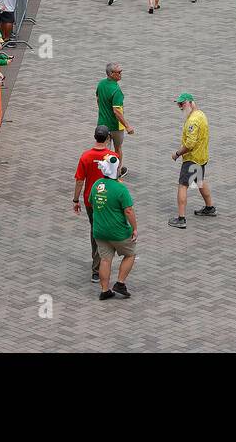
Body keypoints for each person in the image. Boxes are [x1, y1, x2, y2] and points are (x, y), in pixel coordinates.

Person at [90, 155, 137, 301]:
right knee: (130, 254)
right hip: (118, 232)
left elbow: (92, 202)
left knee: (105, 259)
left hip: (99, 231)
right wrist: (134, 228)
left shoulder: (96, 184)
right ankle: (120, 283)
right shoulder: (120, 188)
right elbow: (128, 210)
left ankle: (104, 290)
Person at [73, 126, 116, 282]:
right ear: (107, 139)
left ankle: (97, 268)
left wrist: (75, 200)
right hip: (109, 200)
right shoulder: (112, 156)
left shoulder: (85, 156)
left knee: (95, 230)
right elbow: (115, 178)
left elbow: (79, 180)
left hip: (91, 200)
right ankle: (106, 261)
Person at [169, 93, 215, 228]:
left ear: (190, 102)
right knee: (199, 181)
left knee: (183, 185)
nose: (180, 107)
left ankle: (181, 218)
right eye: (178, 104)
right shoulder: (201, 114)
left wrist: (177, 154)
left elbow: (190, 144)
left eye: (182, 104)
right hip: (201, 157)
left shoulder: (192, 121)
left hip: (192, 159)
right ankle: (209, 207)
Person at [95, 63, 134, 173]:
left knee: (104, 149)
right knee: (118, 149)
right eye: (119, 72)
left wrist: (103, 111)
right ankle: (117, 172)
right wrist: (127, 126)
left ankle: (102, 171)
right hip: (115, 126)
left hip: (102, 124)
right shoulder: (116, 91)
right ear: (111, 74)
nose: (121, 74)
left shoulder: (101, 84)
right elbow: (117, 111)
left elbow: (98, 98)